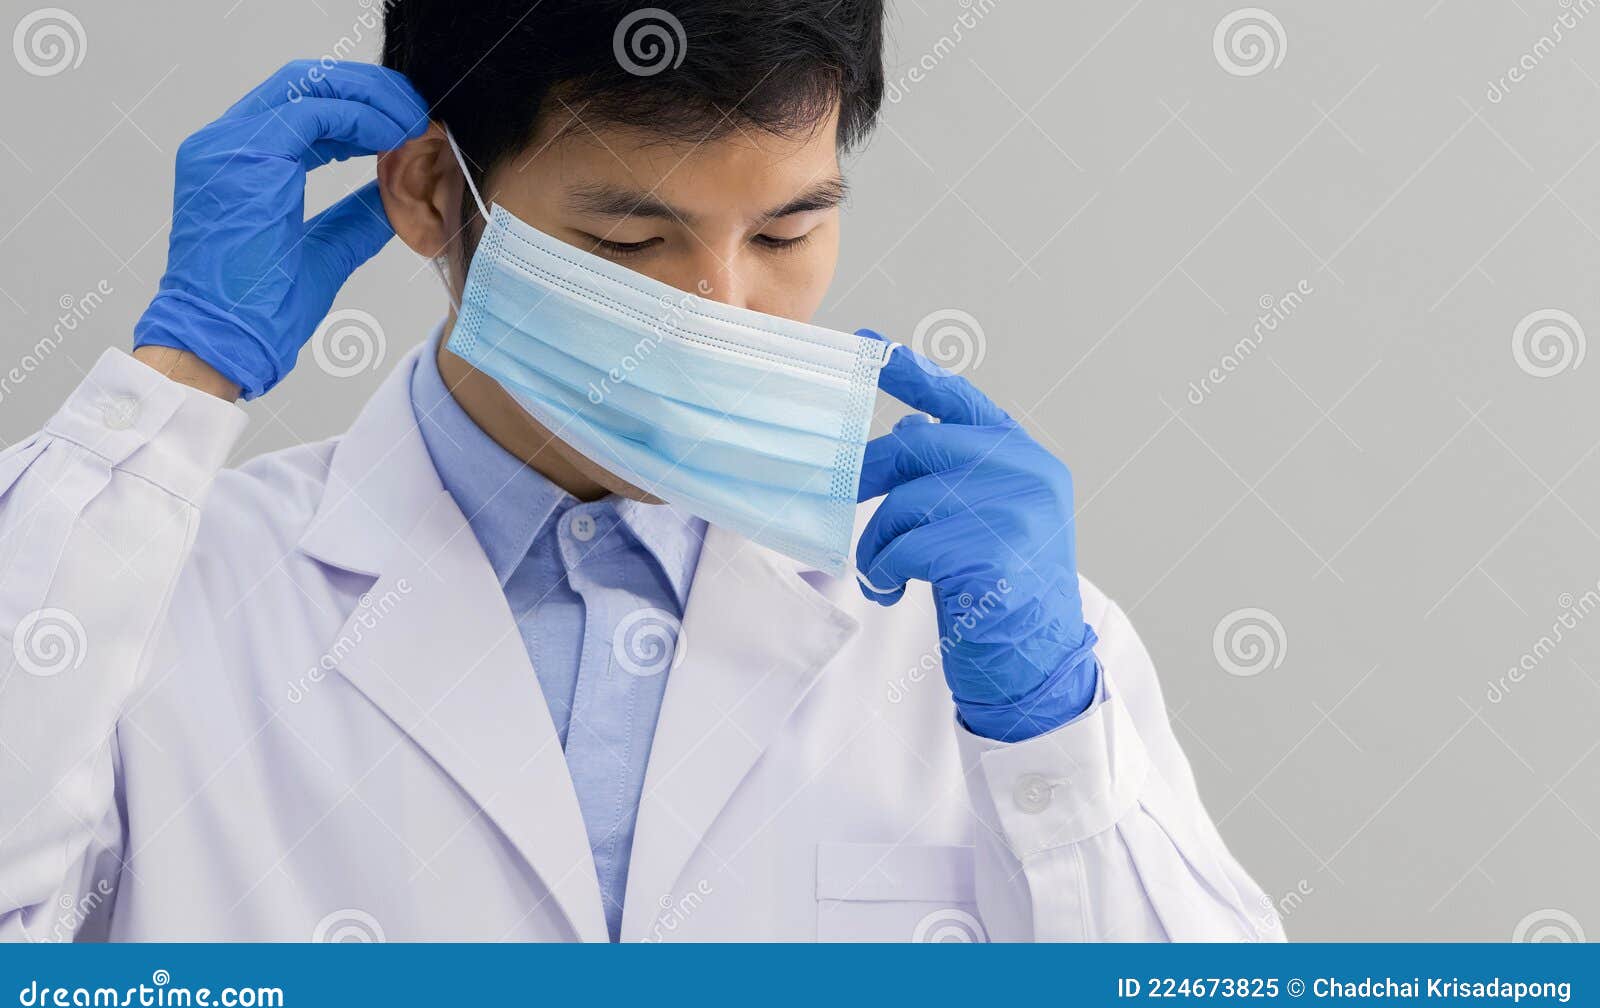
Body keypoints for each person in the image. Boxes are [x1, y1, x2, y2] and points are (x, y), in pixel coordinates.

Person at [0, 0, 1279, 942]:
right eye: (629, 238)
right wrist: (174, 384)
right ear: (434, 196)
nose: (722, 308)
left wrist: (1053, 738)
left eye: (788, 228)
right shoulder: (156, 593)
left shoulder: (977, 637)